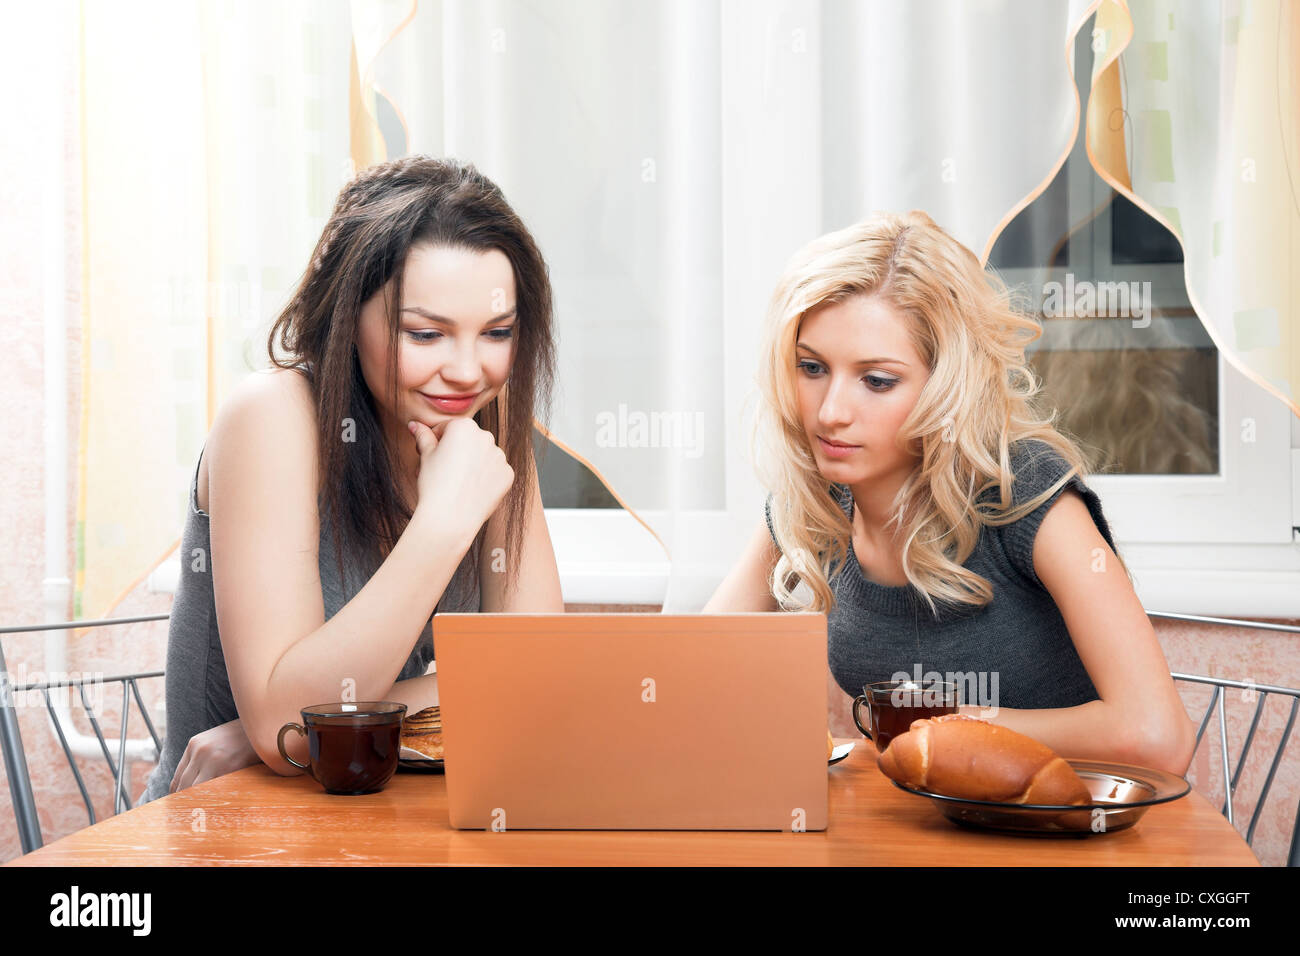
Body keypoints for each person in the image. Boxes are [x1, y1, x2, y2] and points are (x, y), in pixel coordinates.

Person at [704, 210, 1195, 776]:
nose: (831, 412)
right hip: (922, 829)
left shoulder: (1027, 494)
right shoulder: (815, 502)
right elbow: (692, 671)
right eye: (811, 367)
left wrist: (948, 729)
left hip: (1064, 836)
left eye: (877, 380)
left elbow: (1158, 736)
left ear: (947, 384)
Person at [140, 155, 564, 802]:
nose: (468, 371)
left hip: (372, 818)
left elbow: (540, 674)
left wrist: (294, 727)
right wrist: (443, 524)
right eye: (426, 334)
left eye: (497, 333)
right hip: (225, 830)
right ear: (348, 317)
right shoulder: (273, 417)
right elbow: (288, 732)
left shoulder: (486, 427)